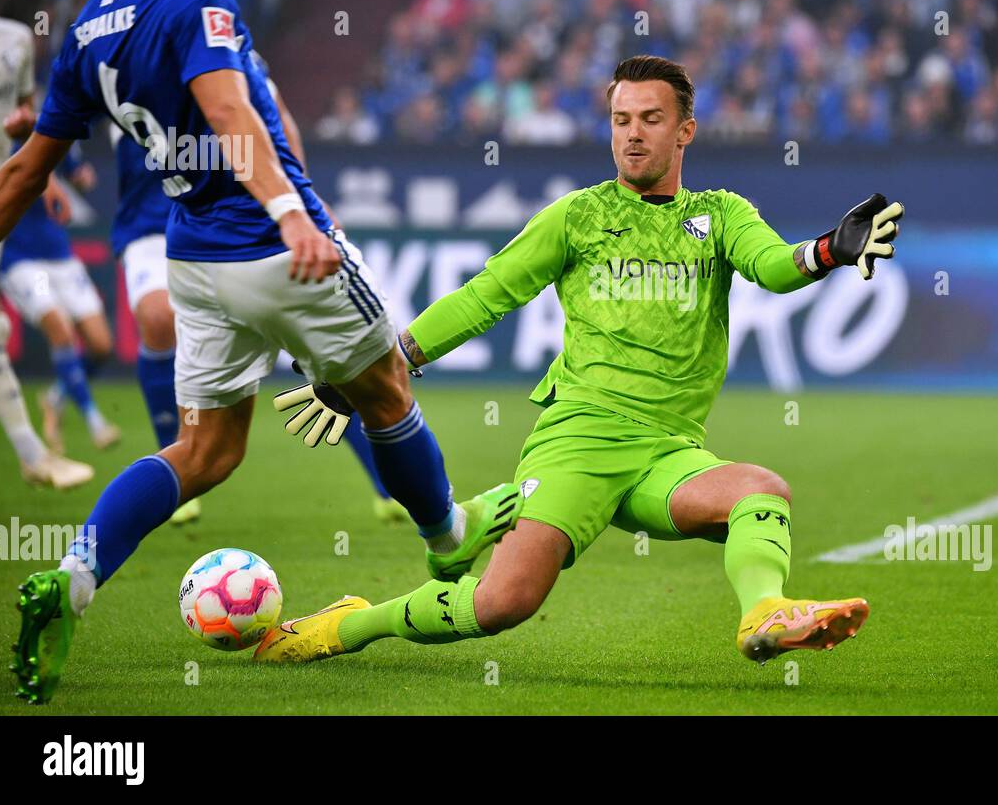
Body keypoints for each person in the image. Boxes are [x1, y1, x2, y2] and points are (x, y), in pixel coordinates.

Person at [0, 0, 518, 705]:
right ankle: (449, 536)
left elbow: (22, 174)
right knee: (384, 385)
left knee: (204, 451)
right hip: (271, 245)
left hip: (193, 262)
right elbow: (231, 108)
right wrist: (290, 213)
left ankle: (74, 579)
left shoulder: (85, 32)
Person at [254, 55, 904, 667]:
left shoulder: (720, 215)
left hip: (668, 453)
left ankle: (764, 612)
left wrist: (825, 252)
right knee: (501, 604)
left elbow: (770, 265)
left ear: (686, 132)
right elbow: (486, 295)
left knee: (760, 489)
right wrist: (387, 364)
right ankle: (351, 623)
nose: (633, 135)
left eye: (651, 120)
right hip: (580, 442)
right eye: (621, 121)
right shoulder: (578, 216)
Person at [108, 41, 407, 525]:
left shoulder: (229, 55)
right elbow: (62, 118)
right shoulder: (120, 58)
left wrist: (302, 200)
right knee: (159, 317)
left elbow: (281, 120)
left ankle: (387, 484)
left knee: (326, 347)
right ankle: (176, 459)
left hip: (240, 222)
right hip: (151, 221)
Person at [0, 8, 94, 489]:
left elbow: (31, 130)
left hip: (21, 216)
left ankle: (36, 451)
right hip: (12, 235)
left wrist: (50, 174)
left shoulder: (16, 44)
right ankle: (40, 451)